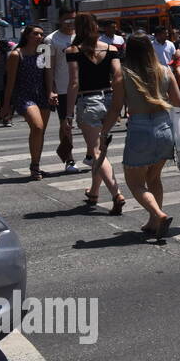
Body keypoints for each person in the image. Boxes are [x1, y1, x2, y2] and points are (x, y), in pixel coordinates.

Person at [99, 35, 180, 239]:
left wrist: (104, 131)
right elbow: (178, 101)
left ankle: (159, 214)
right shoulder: (164, 70)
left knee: (134, 182)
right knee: (154, 177)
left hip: (139, 128)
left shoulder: (123, 73)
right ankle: (153, 222)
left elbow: (116, 108)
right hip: (164, 127)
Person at [66, 13, 125, 214]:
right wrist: (118, 104)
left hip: (88, 100)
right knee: (101, 151)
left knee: (96, 152)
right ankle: (93, 192)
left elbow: (74, 83)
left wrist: (68, 115)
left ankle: (116, 193)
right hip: (109, 100)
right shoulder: (111, 48)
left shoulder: (73, 50)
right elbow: (118, 76)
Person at [0, 23, 51, 179]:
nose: (39, 37)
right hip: (23, 95)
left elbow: (47, 74)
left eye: (41, 34)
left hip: (42, 94)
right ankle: (35, 166)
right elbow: (10, 81)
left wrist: (51, 92)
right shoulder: (16, 54)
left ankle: (36, 165)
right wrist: (6, 105)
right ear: (27, 35)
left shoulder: (44, 51)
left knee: (39, 132)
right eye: (36, 33)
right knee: (37, 126)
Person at [45, 8, 79, 174]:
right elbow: (46, 66)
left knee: (90, 122)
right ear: (60, 20)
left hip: (83, 87)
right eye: (67, 19)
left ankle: (91, 154)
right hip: (63, 88)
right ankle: (69, 158)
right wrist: (51, 89)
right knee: (66, 125)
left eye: (73, 19)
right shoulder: (49, 40)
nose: (70, 23)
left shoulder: (81, 36)